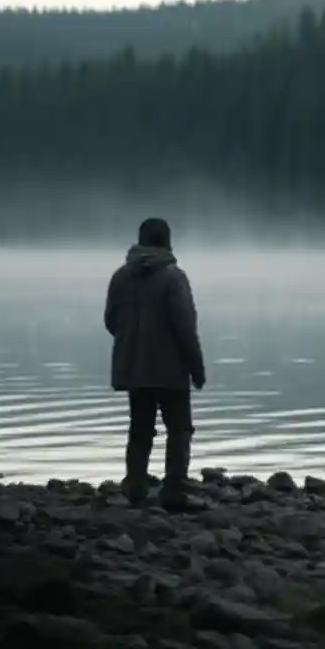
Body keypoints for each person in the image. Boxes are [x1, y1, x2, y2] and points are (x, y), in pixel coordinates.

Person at [104, 218, 206, 509]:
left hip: (134, 368)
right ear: (167, 242)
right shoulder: (173, 277)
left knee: (140, 428)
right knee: (179, 429)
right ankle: (174, 490)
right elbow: (185, 327)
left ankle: (134, 486)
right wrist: (196, 367)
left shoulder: (120, 276)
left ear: (140, 240)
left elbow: (111, 321)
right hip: (171, 370)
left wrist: (132, 344)